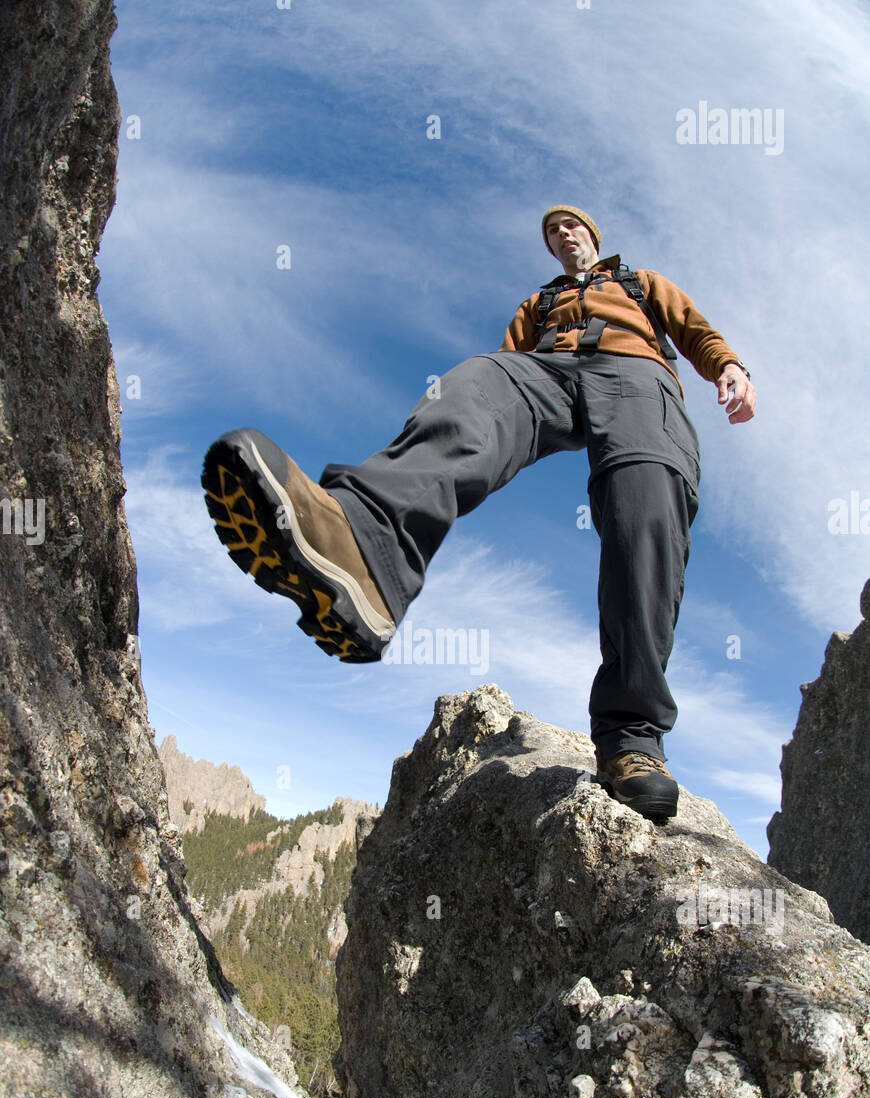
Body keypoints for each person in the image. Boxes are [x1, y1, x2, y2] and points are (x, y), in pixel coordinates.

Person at [202, 204, 755, 821]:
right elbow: (506, 382)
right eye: (551, 232)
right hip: (548, 366)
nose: (562, 234)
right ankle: (366, 542)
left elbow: (693, 327)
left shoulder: (639, 283)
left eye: (570, 226)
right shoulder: (536, 306)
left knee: (645, 512)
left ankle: (631, 738)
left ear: (593, 234)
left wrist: (727, 365)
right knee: (476, 385)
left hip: (637, 375)